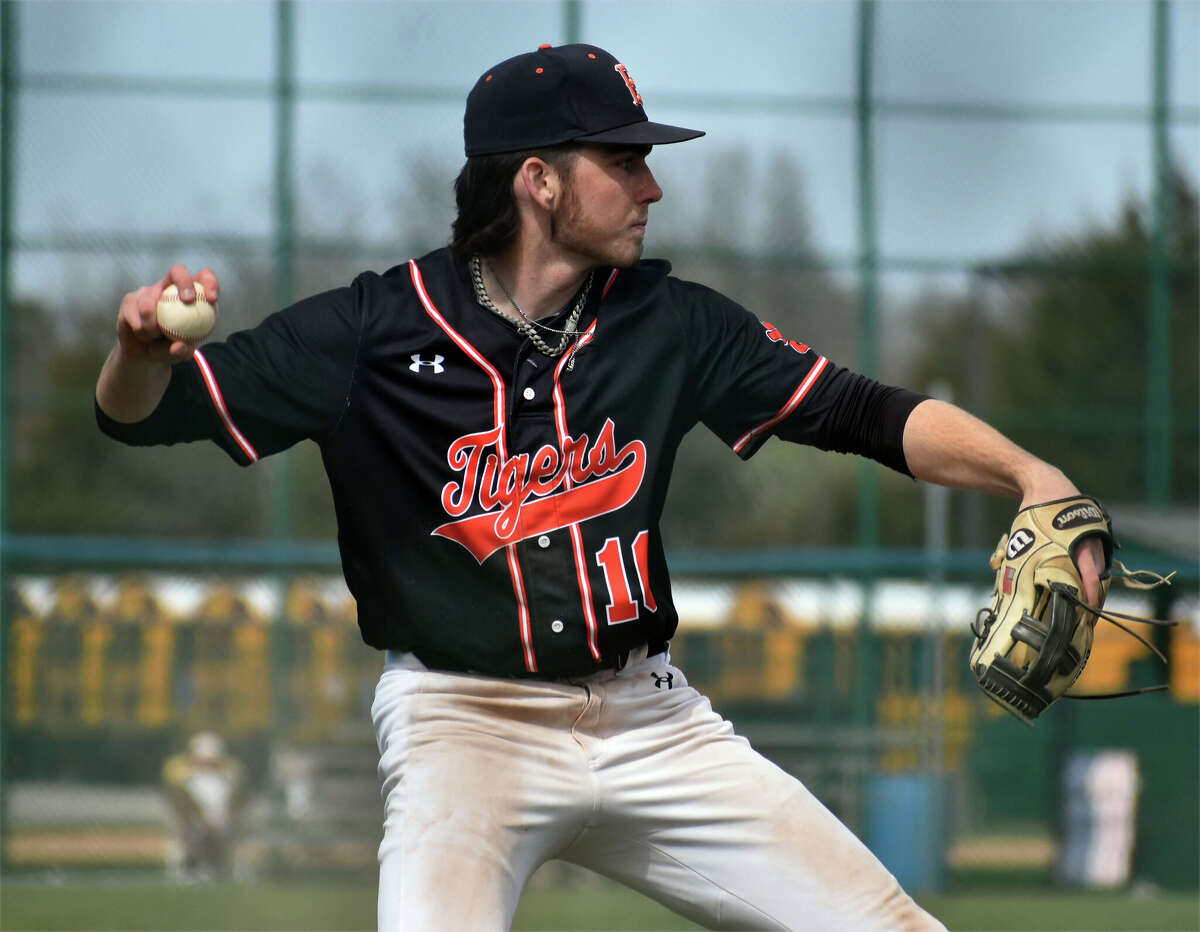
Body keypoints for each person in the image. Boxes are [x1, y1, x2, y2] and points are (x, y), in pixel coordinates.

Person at [98, 42, 1103, 931]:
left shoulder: (672, 323)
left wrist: (1032, 474)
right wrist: (137, 352)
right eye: (623, 160)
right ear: (538, 180)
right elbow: (147, 412)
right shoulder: (370, 330)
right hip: (463, 722)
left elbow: (861, 411)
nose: (651, 185)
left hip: (650, 722)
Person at [161, 731, 247, 881]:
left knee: (226, 833)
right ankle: (194, 868)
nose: (208, 765)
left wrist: (226, 818)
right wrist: (200, 820)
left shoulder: (228, 781)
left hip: (223, 823)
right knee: (196, 832)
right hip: (195, 824)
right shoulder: (185, 782)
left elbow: (235, 805)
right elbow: (183, 807)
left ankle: (213, 868)